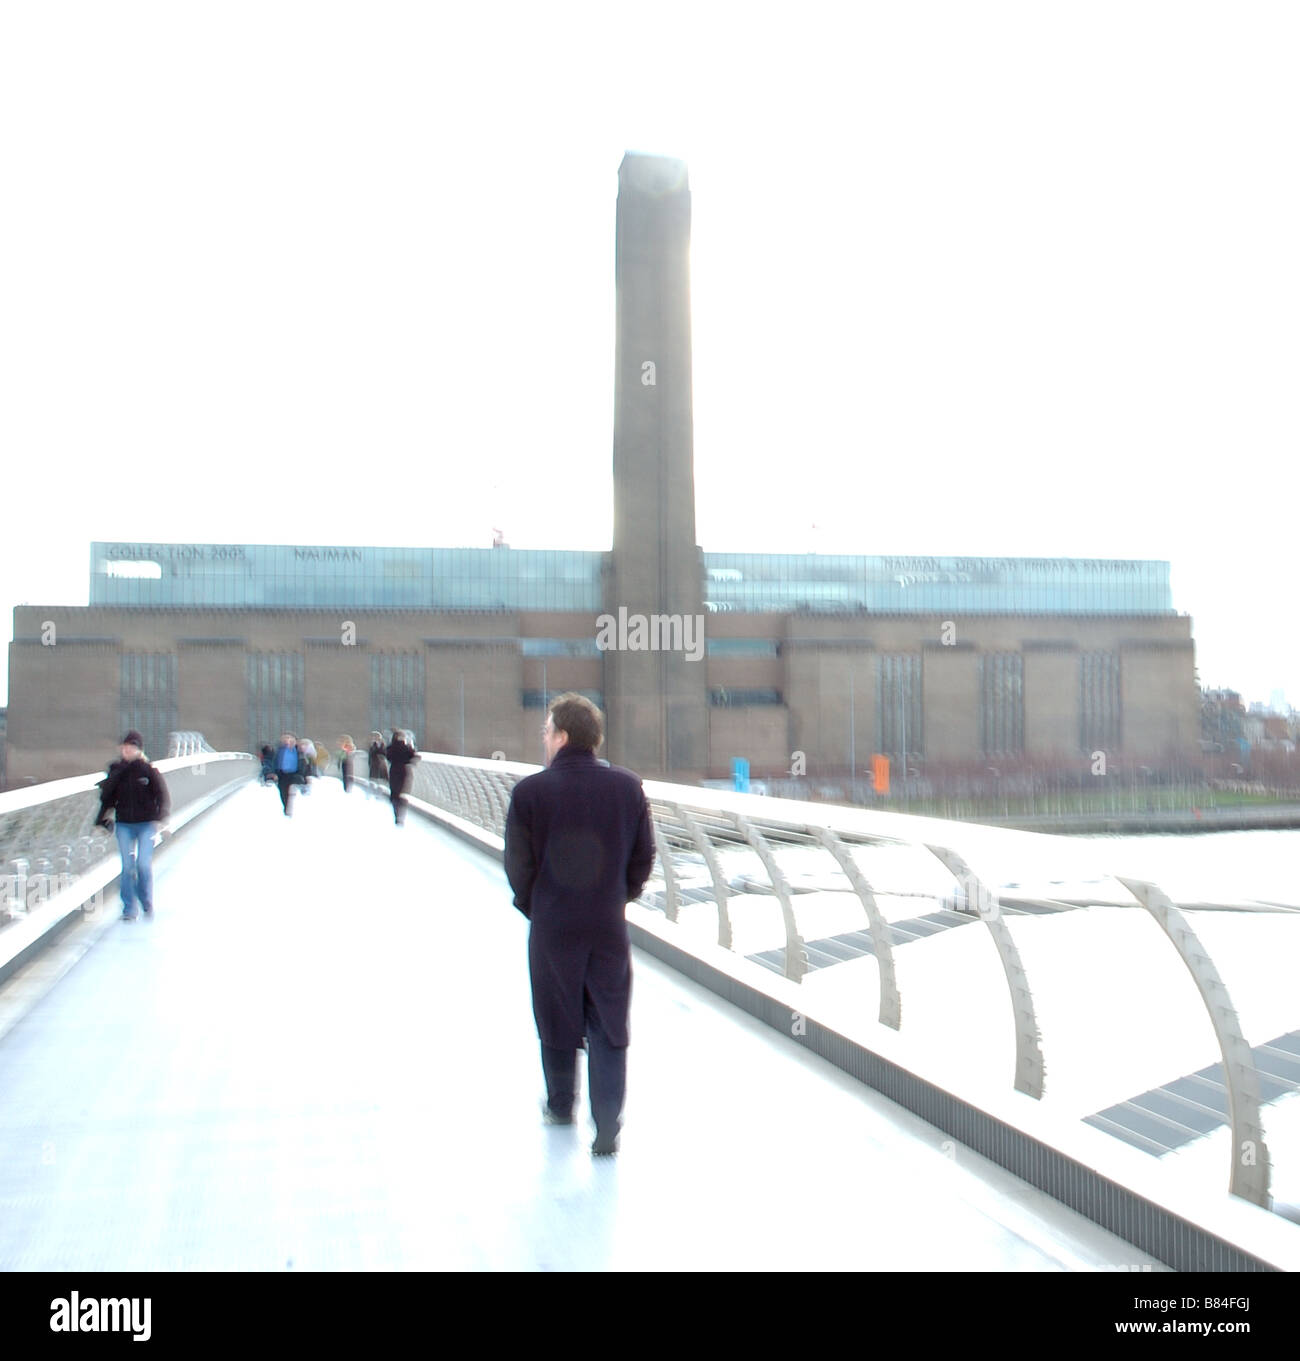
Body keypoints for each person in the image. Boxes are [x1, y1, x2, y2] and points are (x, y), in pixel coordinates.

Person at [503, 694, 655, 1156]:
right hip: (607, 923)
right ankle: (607, 1125)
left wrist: (537, 904)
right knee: (608, 1020)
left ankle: (560, 1104)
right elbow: (643, 857)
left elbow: (517, 865)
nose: (544, 740)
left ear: (562, 736)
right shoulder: (627, 788)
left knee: (556, 1015)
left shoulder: (530, 793)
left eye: (546, 732)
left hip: (552, 924)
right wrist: (617, 896)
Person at [95, 730, 171, 921]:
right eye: (125, 747)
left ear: (139, 750)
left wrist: (162, 819)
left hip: (146, 824)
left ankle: (145, 900)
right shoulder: (115, 770)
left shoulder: (148, 771)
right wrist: (100, 819)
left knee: (143, 865)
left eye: (132, 747)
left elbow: (162, 796)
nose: (127, 751)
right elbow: (106, 799)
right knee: (127, 866)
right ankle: (129, 908)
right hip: (124, 825)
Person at [384, 728, 418, 825]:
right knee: (401, 793)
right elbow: (411, 757)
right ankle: (400, 814)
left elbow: (389, 758)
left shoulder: (390, 747)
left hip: (394, 770)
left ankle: (397, 814)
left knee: (395, 793)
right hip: (403, 771)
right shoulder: (406, 747)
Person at [273, 732, 302, 815]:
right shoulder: (279, 749)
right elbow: (273, 760)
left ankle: (290, 808)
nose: (287, 740)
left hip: (293, 773)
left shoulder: (298, 749)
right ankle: (286, 807)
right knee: (283, 791)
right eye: (285, 738)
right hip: (281, 773)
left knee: (292, 791)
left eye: (290, 738)